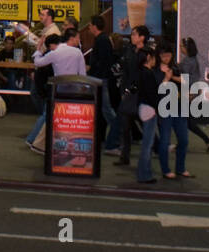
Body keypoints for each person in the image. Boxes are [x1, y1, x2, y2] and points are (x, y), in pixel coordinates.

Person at [25, 29, 86, 153]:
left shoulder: (56, 52)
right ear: (72, 38)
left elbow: (38, 62)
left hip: (58, 89)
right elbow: (83, 74)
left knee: (53, 117)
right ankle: (63, 145)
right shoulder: (78, 53)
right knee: (69, 120)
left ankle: (40, 144)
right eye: (78, 38)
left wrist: (38, 49)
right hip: (74, 90)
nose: (79, 40)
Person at [156, 42, 193, 179]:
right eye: (163, 55)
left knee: (183, 139)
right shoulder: (156, 69)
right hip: (165, 107)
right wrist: (166, 78)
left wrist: (172, 77)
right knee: (165, 140)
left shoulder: (175, 67)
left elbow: (184, 81)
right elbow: (159, 89)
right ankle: (166, 170)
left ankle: (180, 168)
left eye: (168, 55)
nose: (165, 58)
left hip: (179, 105)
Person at [114, 25, 150, 165]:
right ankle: (124, 156)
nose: (132, 36)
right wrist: (124, 90)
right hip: (129, 93)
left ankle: (158, 148)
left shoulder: (146, 53)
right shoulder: (129, 50)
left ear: (142, 37)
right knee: (126, 125)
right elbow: (125, 71)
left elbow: (143, 75)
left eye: (134, 34)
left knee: (144, 124)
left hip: (140, 94)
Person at [86, 15, 122, 154]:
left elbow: (103, 62)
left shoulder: (102, 40)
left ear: (95, 26)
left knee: (107, 110)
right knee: (104, 110)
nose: (89, 27)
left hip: (100, 80)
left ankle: (115, 139)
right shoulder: (102, 39)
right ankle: (114, 139)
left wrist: (94, 73)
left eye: (90, 25)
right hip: (100, 79)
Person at [133, 48, 163, 183]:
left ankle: (144, 173)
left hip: (142, 108)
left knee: (147, 143)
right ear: (149, 57)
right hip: (149, 109)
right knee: (147, 144)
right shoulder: (148, 73)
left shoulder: (139, 72)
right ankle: (144, 174)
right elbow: (153, 95)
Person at [179, 38, 209, 151]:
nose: (180, 48)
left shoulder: (189, 61)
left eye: (182, 46)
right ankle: (206, 139)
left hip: (188, 93)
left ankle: (184, 143)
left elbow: (186, 78)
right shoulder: (191, 59)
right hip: (191, 92)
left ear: (187, 48)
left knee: (185, 121)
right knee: (187, 121)